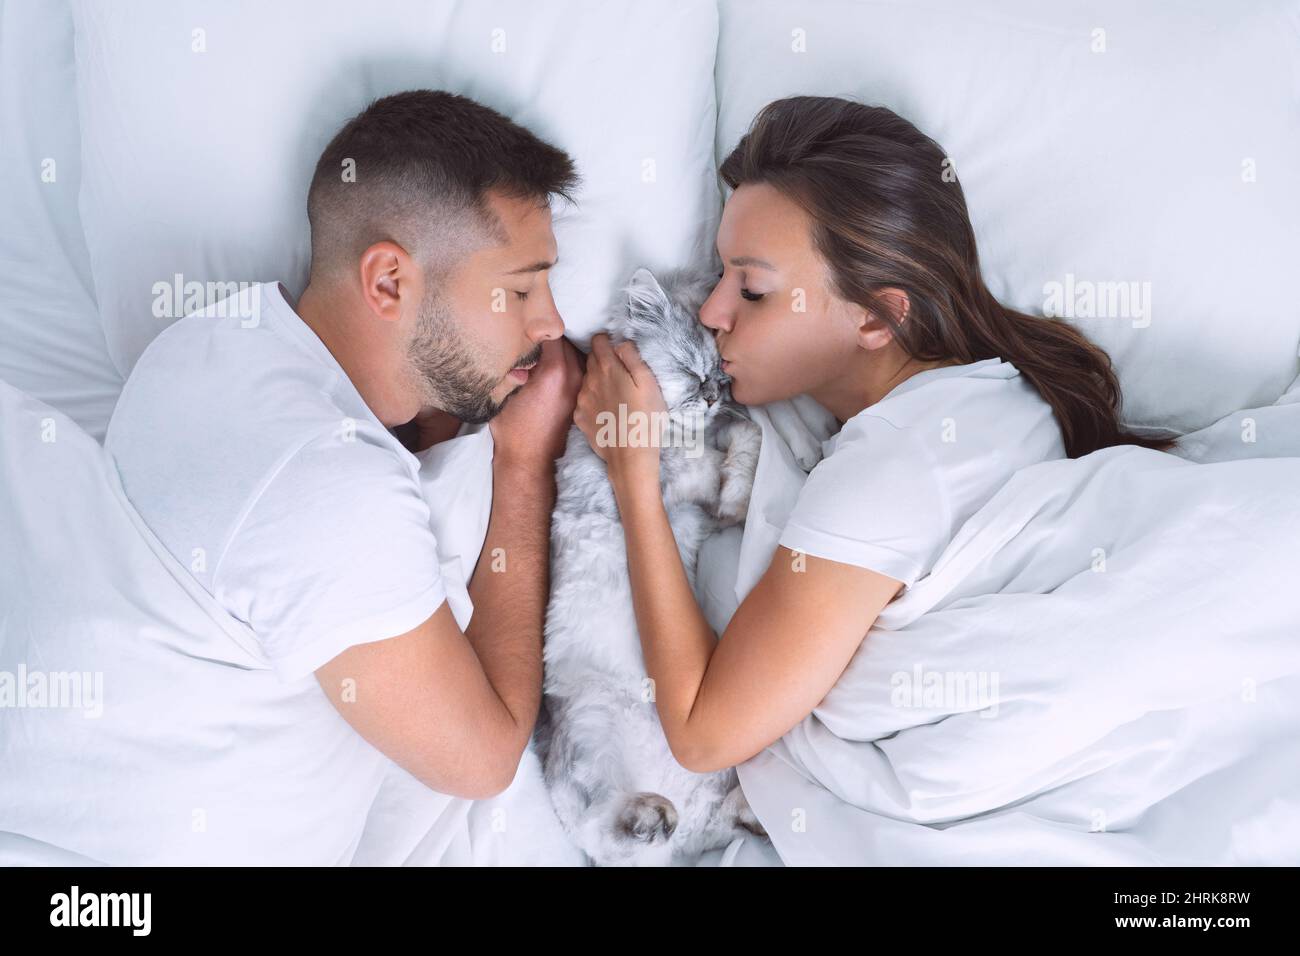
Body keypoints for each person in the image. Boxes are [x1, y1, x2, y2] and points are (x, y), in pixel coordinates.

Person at [573, 95, 1174, 775]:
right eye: (720, 275)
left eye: (754, 291)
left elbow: (701, 734)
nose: (712, 312)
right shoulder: (995, 390)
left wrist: (632, 469)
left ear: (876, 318)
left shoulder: (894, 466)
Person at [107, 89, 583, 802]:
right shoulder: (334, 488)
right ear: (389, 280)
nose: (551, 324)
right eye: (519, 292)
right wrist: (523, 465)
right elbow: (485, 761)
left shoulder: (201, 341)